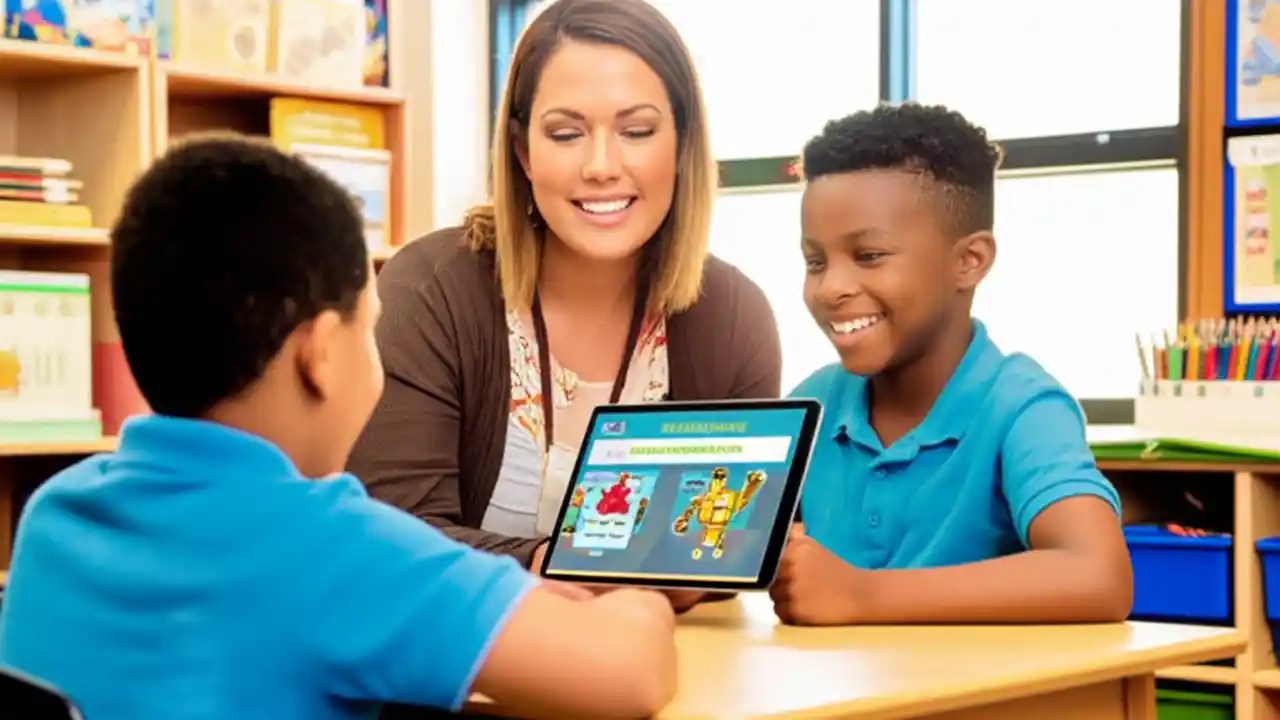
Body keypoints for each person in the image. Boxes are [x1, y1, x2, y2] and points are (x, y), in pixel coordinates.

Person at [0, 136, 678, 720]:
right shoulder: (335, 547)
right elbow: (628, 676)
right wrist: (635, 598)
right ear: (320, 354)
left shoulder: (56, 514)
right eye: (372, 329)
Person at [346, 0, 781, 610]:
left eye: (636, 131)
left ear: (681, 144)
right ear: (523, 153)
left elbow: (720, 559)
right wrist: (549, 566)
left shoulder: (733, 316)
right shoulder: (432, 289)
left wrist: (711, 568)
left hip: (663, 682)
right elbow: (389, 536)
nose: (601, 166)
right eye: (566, 134)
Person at [769, 103, 1134, 626]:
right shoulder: (813, 402)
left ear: (970, 261)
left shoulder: (1023, 406)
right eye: (815, 262)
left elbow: (1100, 577)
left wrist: (861, 596)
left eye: (869, 255)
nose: (831, 288)